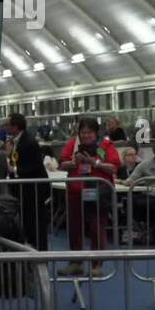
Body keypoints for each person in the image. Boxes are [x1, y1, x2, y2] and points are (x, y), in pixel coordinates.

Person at [60, 118, 121, 277]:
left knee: (97, 227)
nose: (86, 136)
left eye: (89, 132)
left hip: (98, 191)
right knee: (74, 228)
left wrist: (95, 163)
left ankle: (97, 265)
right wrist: (74, 162)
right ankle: (75, 263)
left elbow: (114, 167)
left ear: (96, 133)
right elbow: (62, 164)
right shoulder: (73, 144)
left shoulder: (106, 145)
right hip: (75, 191)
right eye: (83, 132)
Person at [5, 113, 50, 249]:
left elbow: (34, 166)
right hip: (24, 190)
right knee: (28, 223)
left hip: (34, 190)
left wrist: (14, 170)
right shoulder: (15, 141)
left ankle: (40, 254)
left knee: (36, 223)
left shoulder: (28, 142)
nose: (5, 127)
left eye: (7, 124)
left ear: (16, 127)